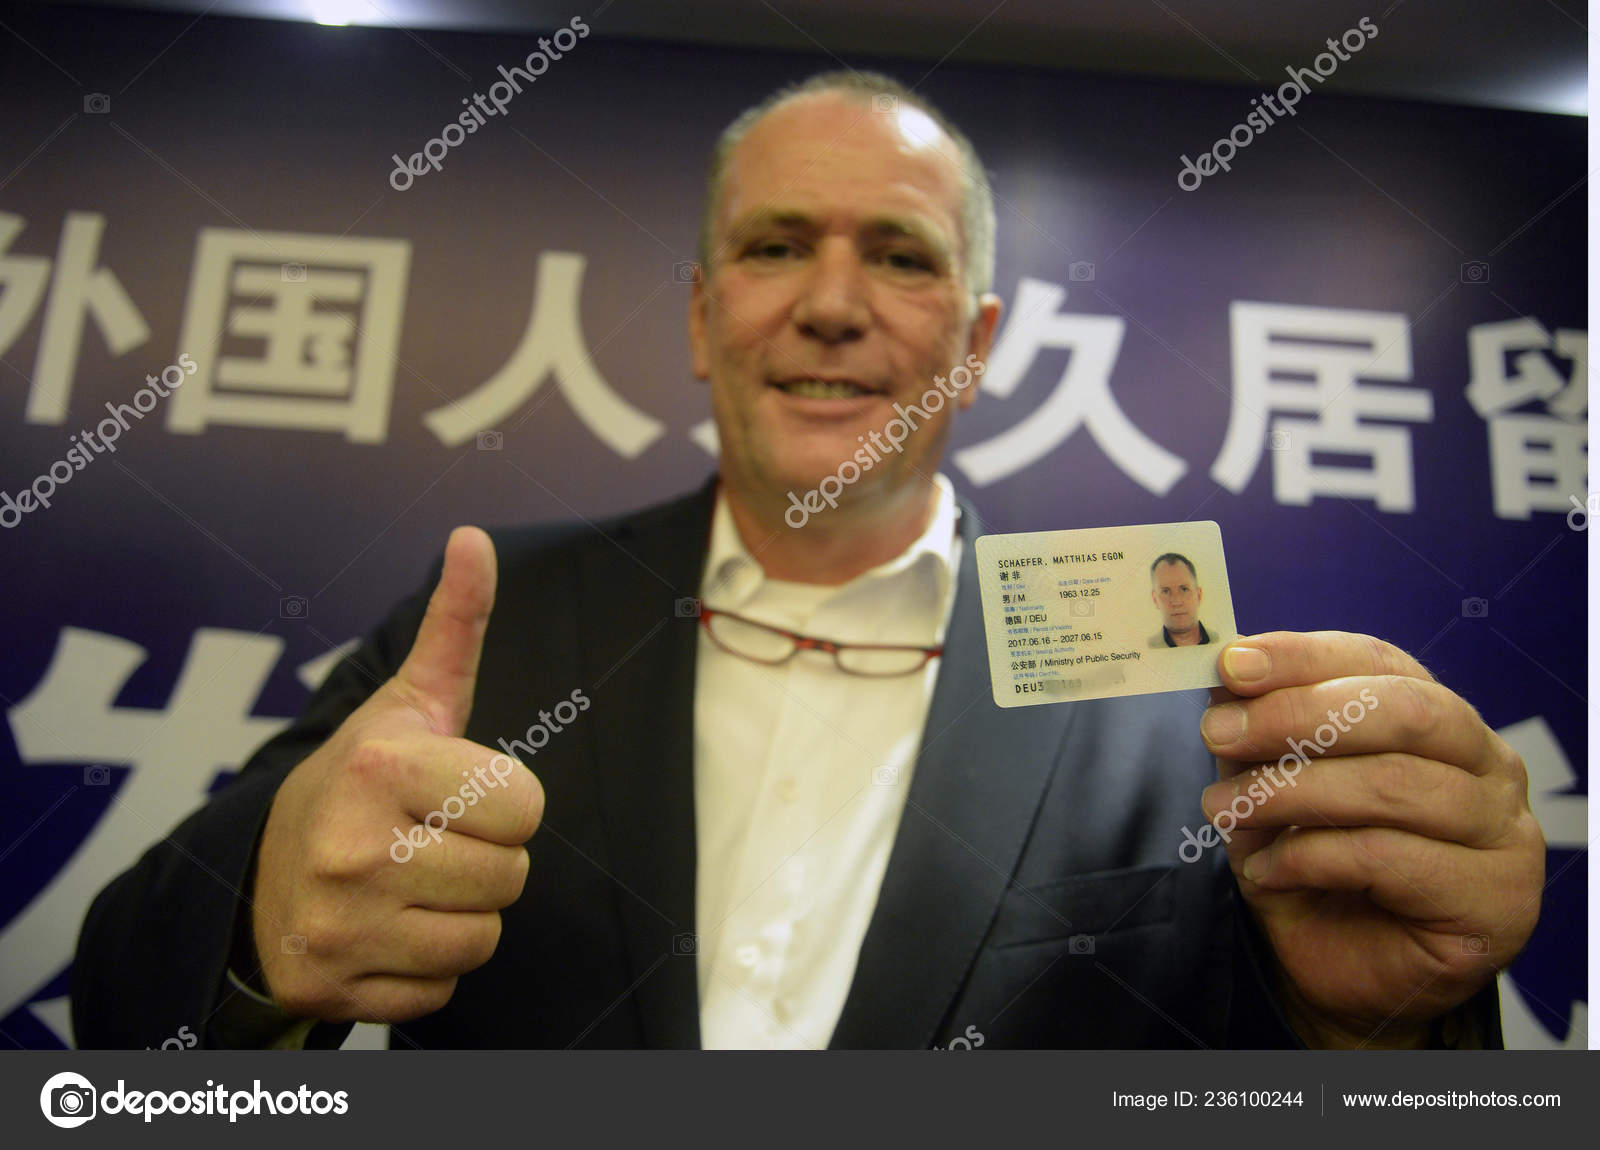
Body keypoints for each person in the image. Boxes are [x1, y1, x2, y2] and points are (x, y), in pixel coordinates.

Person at [72, 70, 1544, 1051]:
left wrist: (1372, 1032)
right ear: (706, 316)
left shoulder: (1174, 690)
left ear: (974, 345)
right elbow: (127, 1011)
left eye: (901, 257)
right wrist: (263, 928)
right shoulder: (490, 626)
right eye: (778, 247)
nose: (834, 305)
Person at [1149, 552, 1211, 647]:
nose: (1176, 602)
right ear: (1155, 599)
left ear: (1198, 595)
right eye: (1166, 591)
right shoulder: (1147, 648)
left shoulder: (1221, 642)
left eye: (1184, 589)